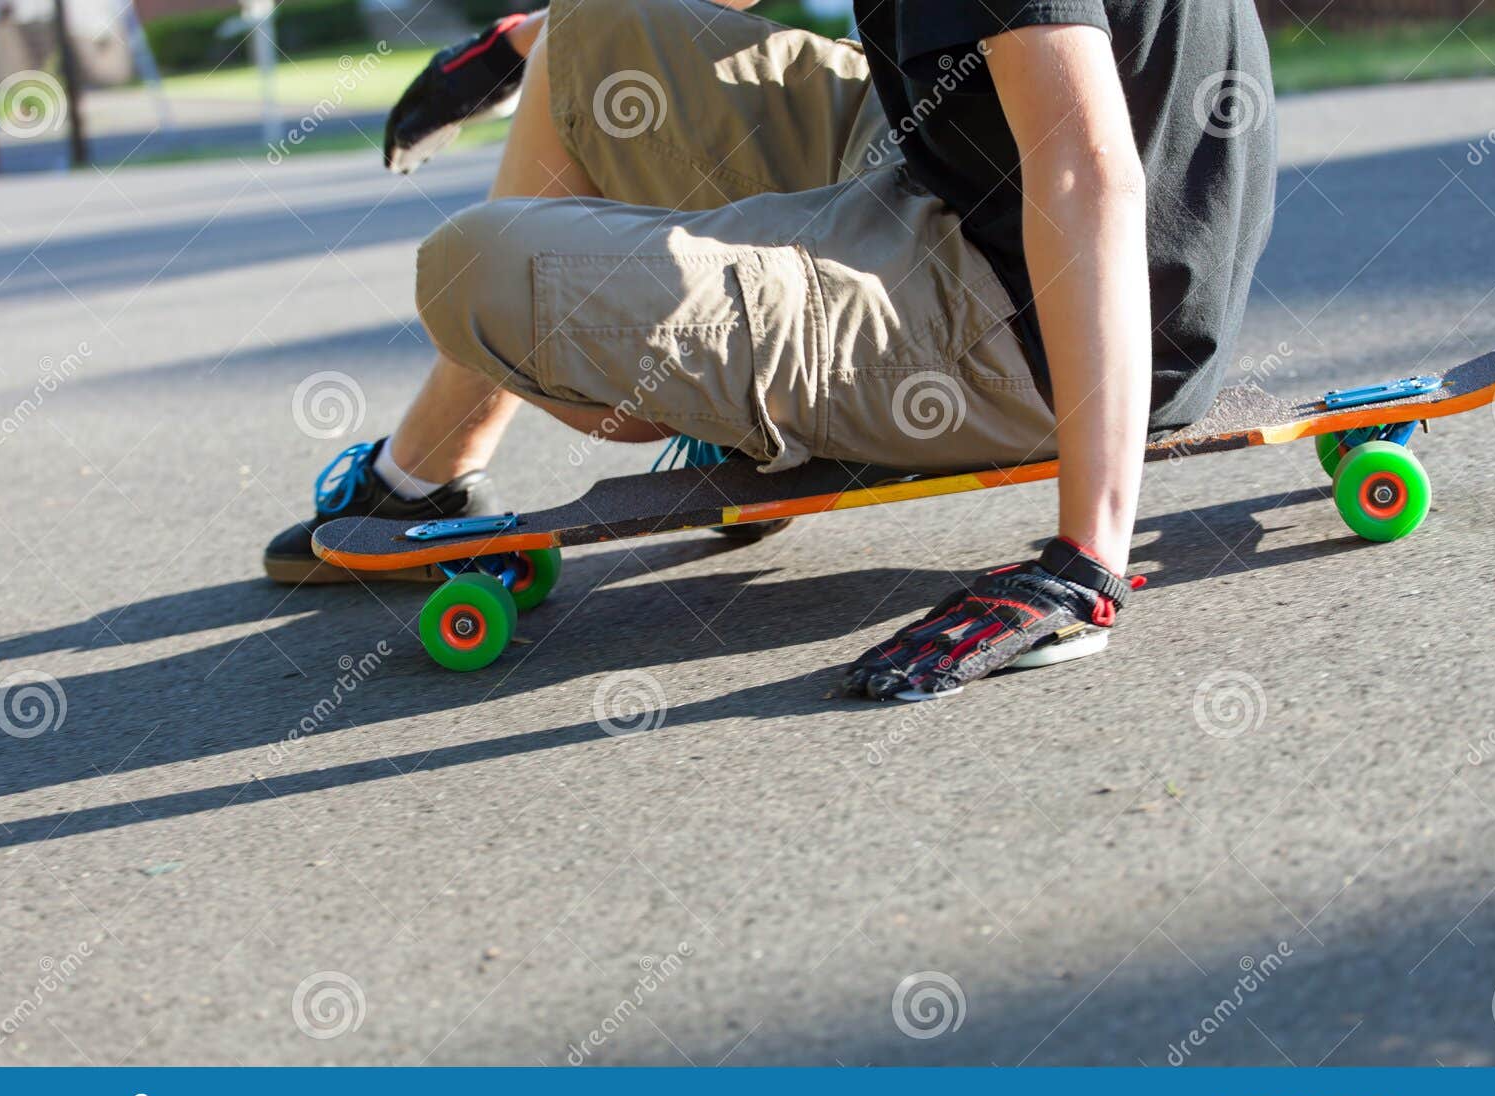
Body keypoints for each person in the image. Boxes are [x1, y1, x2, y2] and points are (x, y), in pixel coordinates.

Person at [264, 0, 1276, 700]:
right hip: (941, 178)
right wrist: (522, 44)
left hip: (1030, 320)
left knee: (472, 273)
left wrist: (1082, 562)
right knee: (590, 28)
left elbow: (1086, 171)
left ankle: (736, 400)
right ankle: (425, 477)